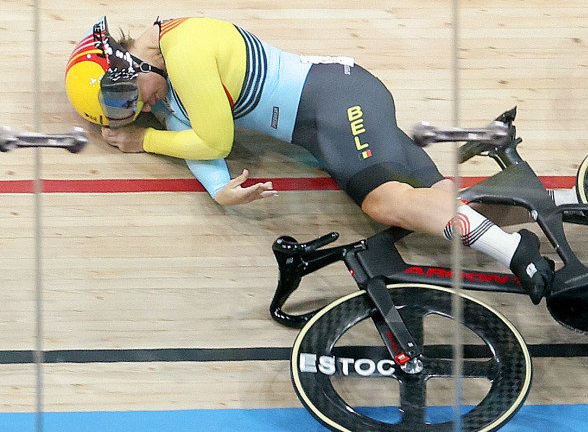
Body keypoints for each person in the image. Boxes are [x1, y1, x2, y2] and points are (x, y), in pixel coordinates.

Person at [64, 16, 555, 302]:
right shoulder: (167, 83)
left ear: (125, 62)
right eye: (123, 112)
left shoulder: (185, 46)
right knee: (445, 208)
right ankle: (570, 205)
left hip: (335, 103)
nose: (137, 110)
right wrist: (219, 190)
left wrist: (141, 144)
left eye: (126, 97)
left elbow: (211, 141)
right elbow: (188, 134)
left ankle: (518, 254)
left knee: (385, 206)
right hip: (326, 123)